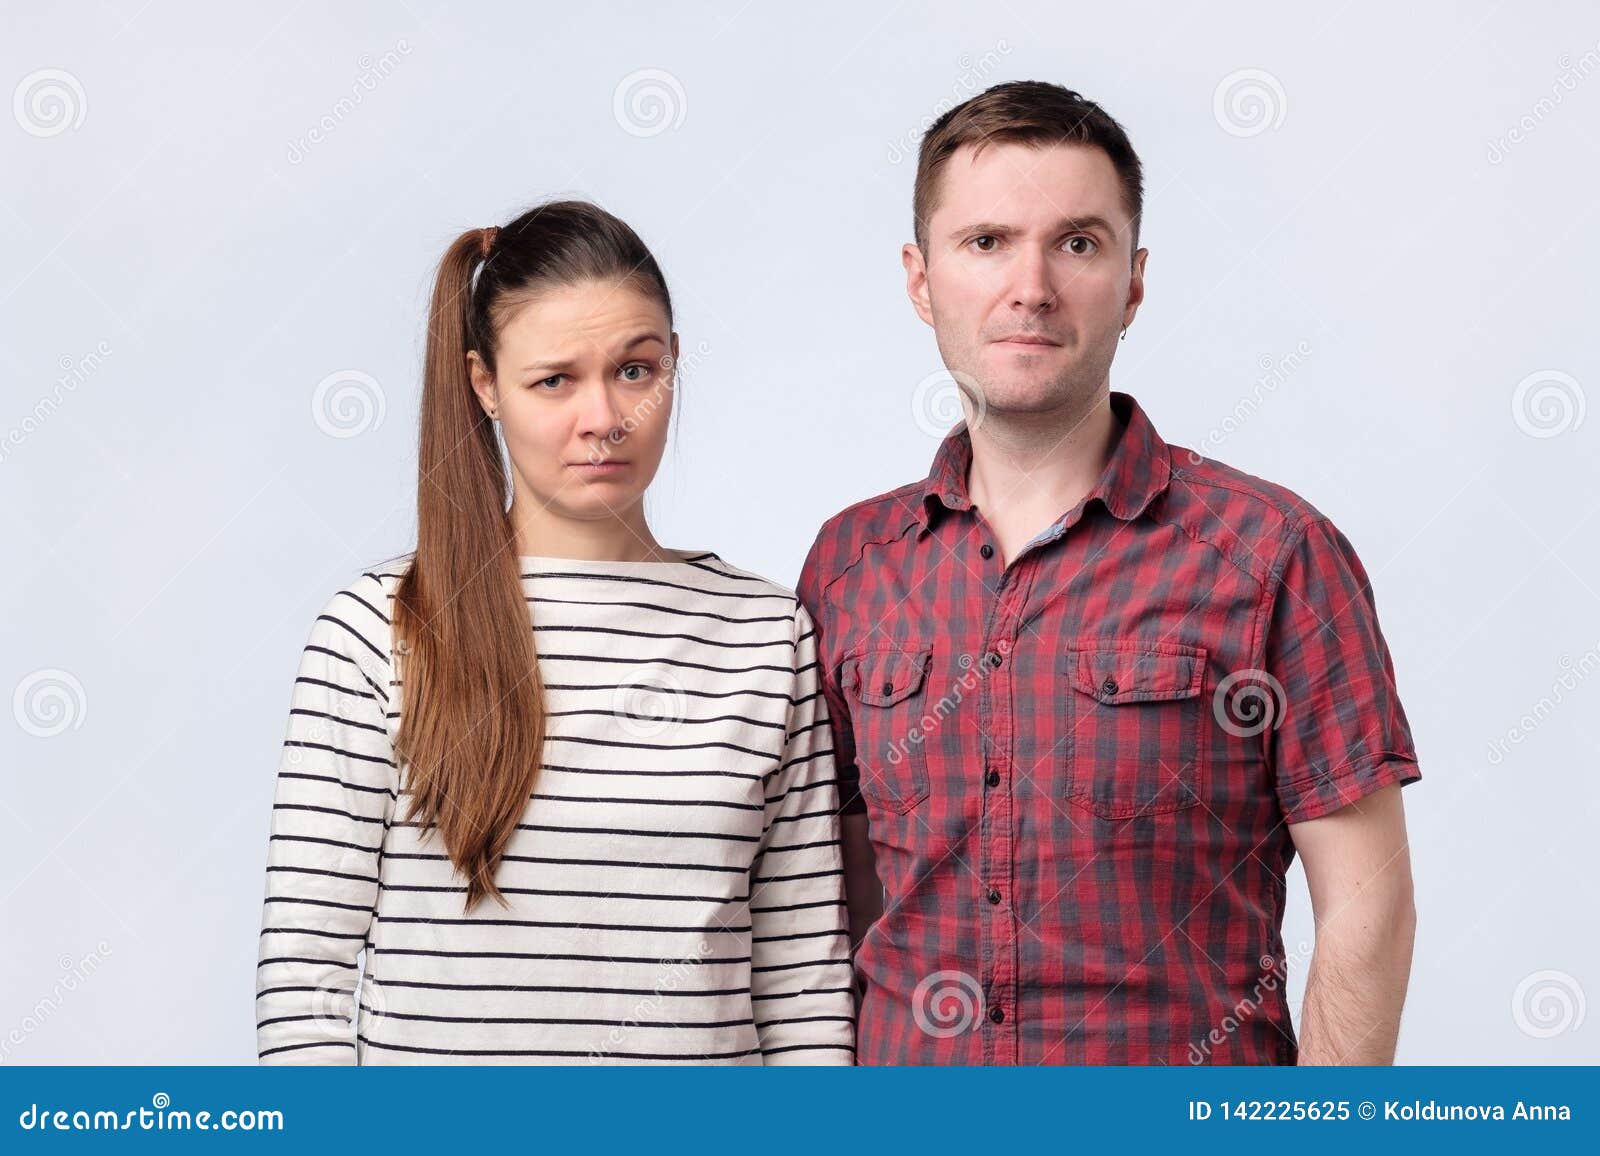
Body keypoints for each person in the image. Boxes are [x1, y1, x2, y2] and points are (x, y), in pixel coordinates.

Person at [798, 81, 1421, 1065]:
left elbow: (1365, 903)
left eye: (1077, 244)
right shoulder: (847, 569)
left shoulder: (1273, 555)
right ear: (921, 281)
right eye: (987, 242)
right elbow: (822, 906)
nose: (1031, 287)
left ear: (1132, 281)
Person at [257, 200, 854, 1064]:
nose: (603, 417)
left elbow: (802, 986)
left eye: (635, 370)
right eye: (554, 381)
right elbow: (303, 983)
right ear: (484, 384)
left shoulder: (767, 635)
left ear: (674, 364)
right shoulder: (375, 633)